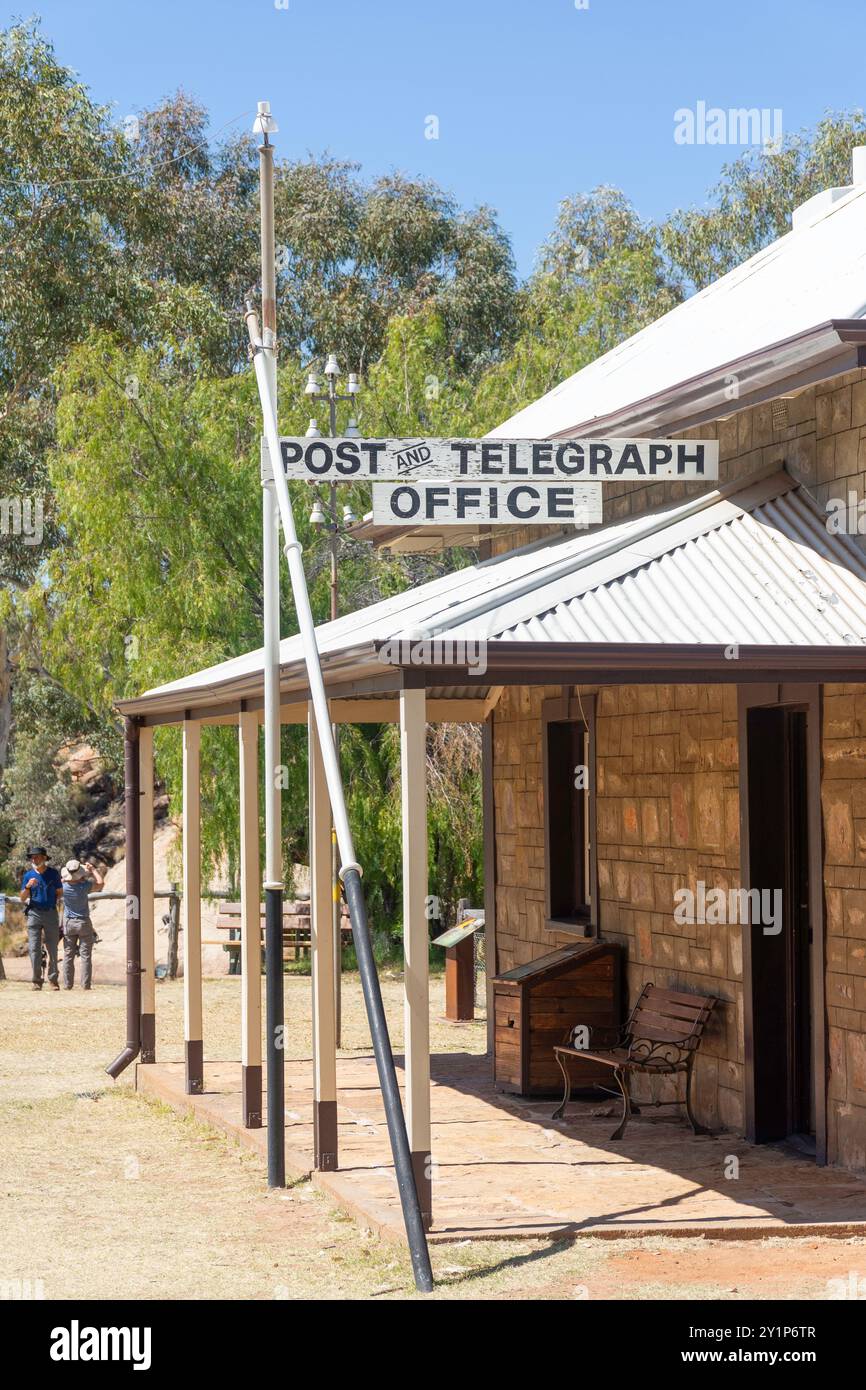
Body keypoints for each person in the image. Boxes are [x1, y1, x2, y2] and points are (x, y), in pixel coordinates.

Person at [20, 847, 63, 991]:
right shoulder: (28, 875)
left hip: (50, 913)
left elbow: (59, 892)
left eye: (37, 857)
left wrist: (50, 903)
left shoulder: (53, 874)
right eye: (32, 857)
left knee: (53, 949)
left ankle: (53, 980)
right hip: (34, 914)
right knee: (34, 949)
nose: (34, 860)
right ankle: (36, 981)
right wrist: (27, 887)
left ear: (44, 858)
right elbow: (22, 898)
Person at [61, 858, 104, 991]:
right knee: (86, 955)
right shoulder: (84, 886)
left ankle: (68, 985)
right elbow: (100, 883)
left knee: (68, 955)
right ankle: (85, 985)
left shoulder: (63, 887)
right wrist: (92, 870)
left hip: (68, 922)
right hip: (84, 922)